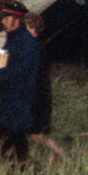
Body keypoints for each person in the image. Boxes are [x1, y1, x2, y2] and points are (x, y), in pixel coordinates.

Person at [0, 1, 39, 167]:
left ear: (16, 19)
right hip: (11, 94)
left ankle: (17, 166)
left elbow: (23, 69)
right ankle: (18, 166)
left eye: (6, 18)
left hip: (20, 96)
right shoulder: (14, 37)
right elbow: (11, 63)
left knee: (2, 129)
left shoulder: (26, 42)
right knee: (10, 132)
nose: (3, 22)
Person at [24, 12, 67, 160]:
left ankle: (66, 159)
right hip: (38, 96)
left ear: (31, 27)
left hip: (35, 98)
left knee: (37, 136)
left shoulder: (32, 48)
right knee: (33, 135)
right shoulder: (36, 46)